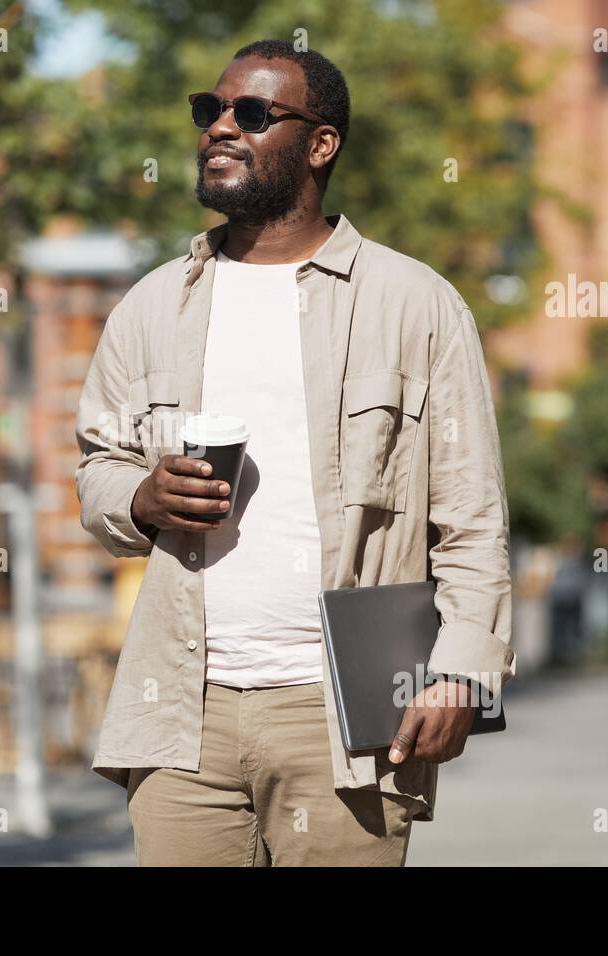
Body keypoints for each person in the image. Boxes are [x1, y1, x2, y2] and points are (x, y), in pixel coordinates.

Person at [74, 39, 515, 866]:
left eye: (252, 113)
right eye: (210, 111)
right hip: (180, 714)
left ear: (321, 144)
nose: (219, 129)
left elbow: (471, 517)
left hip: (343, 710)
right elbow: (97, 467)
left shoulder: (413, 304)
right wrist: (139, 498)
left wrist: (463, 671)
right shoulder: (152, 305)